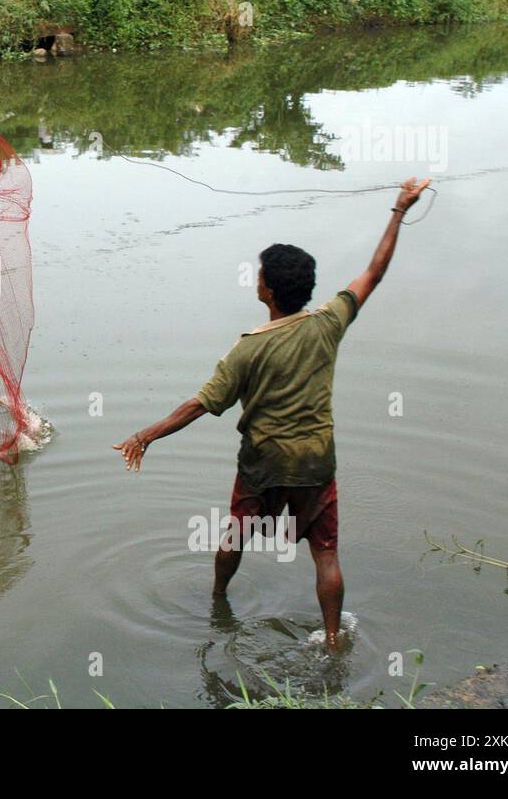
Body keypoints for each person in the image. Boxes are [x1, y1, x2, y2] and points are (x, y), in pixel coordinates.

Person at [113, 177, 433, 651]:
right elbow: (375, 272)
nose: (257, 278)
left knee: (236, 534)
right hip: (315, 462)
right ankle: (332, 640)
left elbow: (200, 404)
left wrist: (146, 435)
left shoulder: (248, 350)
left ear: (268, 290)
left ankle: (218, 601)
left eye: (260, 274)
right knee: (326, 554)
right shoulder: (329, 322)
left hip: (263, 464)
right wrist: (399, 209)